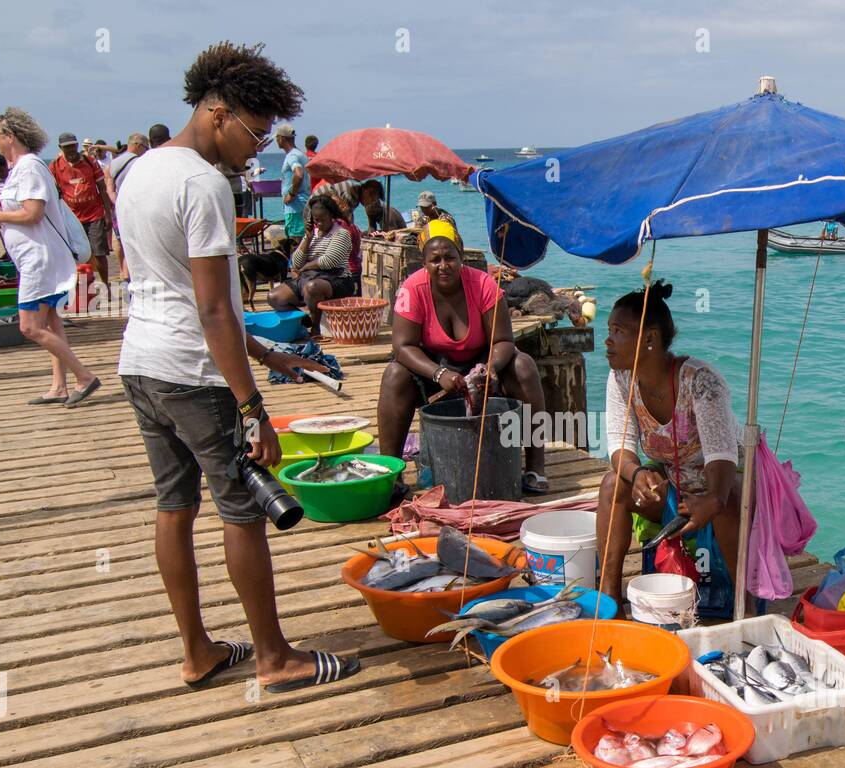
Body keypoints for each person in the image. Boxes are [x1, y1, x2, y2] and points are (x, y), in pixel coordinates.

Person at [117, 41, 356, 692]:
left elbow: (159, 285)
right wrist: (255, 409)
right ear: (217, 114)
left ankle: (198, 651)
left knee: (174, 504)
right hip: (195, 373)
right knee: (243, 509)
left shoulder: (138, 171)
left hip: (141, 362)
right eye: (254, 133)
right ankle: (275, 657)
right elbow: (213, 309)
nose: (259, 149)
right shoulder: (203, 183)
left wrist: (267, 350)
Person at [595, 280, 742, 607]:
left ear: (650, 339)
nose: (607, 339)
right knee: (611, 486)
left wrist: (713, 499)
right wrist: (636, 476)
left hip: (726, 484)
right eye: (609, 329)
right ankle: (608, 601)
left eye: (618, 331)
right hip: (676, 483)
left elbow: (722, 457)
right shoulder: (621, 377)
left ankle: (743, 607)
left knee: (729, 499)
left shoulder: (701, 381)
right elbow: (619, 447)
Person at [378, 220, 548, 493]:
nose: (443, 265)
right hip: (434, 369)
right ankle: (391, 472)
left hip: (481, 366)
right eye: (435, 260)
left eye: (450, 257)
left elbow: (504, 340)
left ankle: (536, 466)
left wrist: (490, 369)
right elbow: (403, 346)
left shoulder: (483, 284)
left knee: (524, 366)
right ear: (424, 263)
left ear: (461, 256)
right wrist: (439, 373)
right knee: (394, 375)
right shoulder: (413, 288)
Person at [0, 107, 101, 406]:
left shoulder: (31, 167)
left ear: (10, 136)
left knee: (29, 327)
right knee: (50, 322)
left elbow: (33, 213)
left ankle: (84, 376)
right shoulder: (23, 168)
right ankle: (59, 385)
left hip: (39, 258)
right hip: (34, 257)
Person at [266, 193, 355, 331]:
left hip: (337, 279)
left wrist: (306, 266)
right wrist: (307, 239)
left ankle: (315, 327)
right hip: (309, 277)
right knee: (274, 297)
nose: (319, 223)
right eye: (316, 220)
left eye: (322, 219)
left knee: (312, 287)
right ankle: (304, 321)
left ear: (331, 216)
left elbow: (330, 261)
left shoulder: (341, 233)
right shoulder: (312, 234)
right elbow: (295, 263)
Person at [50, 131, 114, 288]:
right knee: (76, 254)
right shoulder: (55, 166)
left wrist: (108, 213)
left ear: (77, 146)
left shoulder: (90, 162)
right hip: (71, 218)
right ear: (60, 148)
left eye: (72, 146)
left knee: (99, 252)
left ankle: (106, 285)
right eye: (67, 148)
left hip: (94, 214)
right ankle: (82, 288)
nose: (71, 150)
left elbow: (102, 188)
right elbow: (53, 192)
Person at [105, 133, 150, 282]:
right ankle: (133, 272)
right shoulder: (140, 162)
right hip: (136, 208)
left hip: (119, 208)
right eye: (145, 147)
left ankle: (124, 271)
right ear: (137, 145)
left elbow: (109, 187)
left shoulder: (114, 163)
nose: (146, 150)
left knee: (121, 240)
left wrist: (117, 201)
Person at [276, 122, 310, 239]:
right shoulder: (300, 154)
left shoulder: (292, 156)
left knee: (295, 243)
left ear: (281, 138)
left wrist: (291, 194)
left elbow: (299, 174)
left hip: (295, 207)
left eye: (277, 137)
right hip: (303, 204)